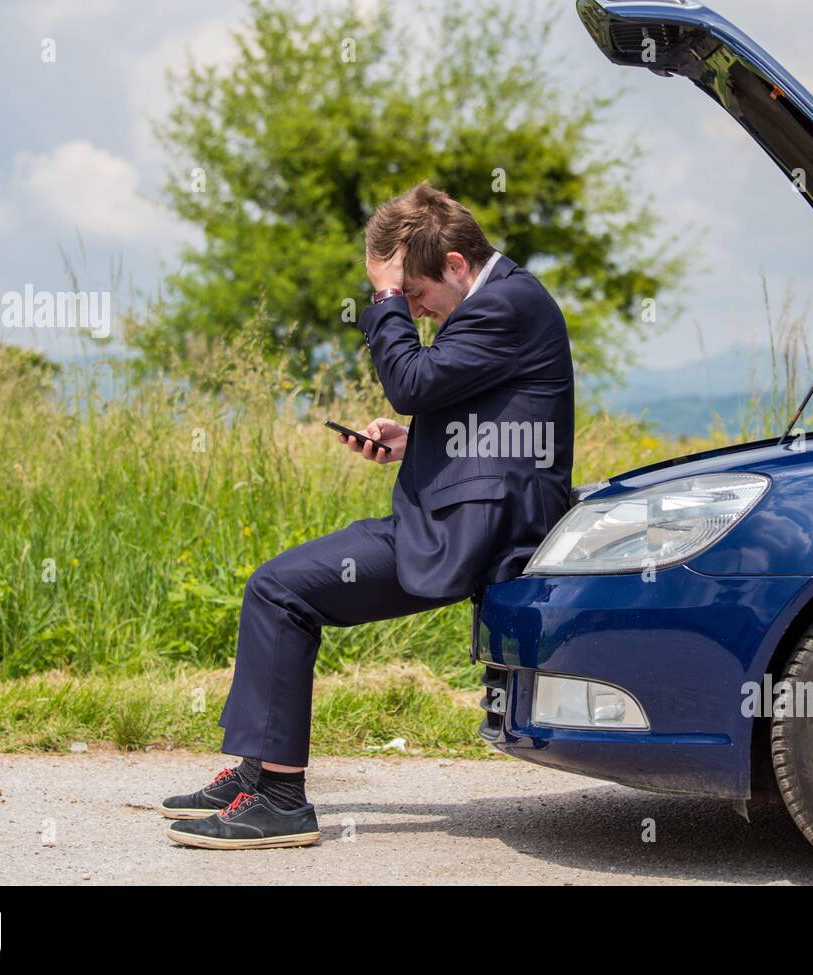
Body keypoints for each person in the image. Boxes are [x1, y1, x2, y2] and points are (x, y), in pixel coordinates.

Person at [161, 182, 575, 848]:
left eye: (413, 293)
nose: (413, 309)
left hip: (478, 530)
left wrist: (382, 296)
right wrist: (417, 444)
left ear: (457, 266)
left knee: (280, 588)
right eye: (401, 299)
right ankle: (256, 773)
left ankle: (279, 797)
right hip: (475, 511)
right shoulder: (507, 300)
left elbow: (411, 382)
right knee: (280, 585)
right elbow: (501, 421)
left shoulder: (505, 304)